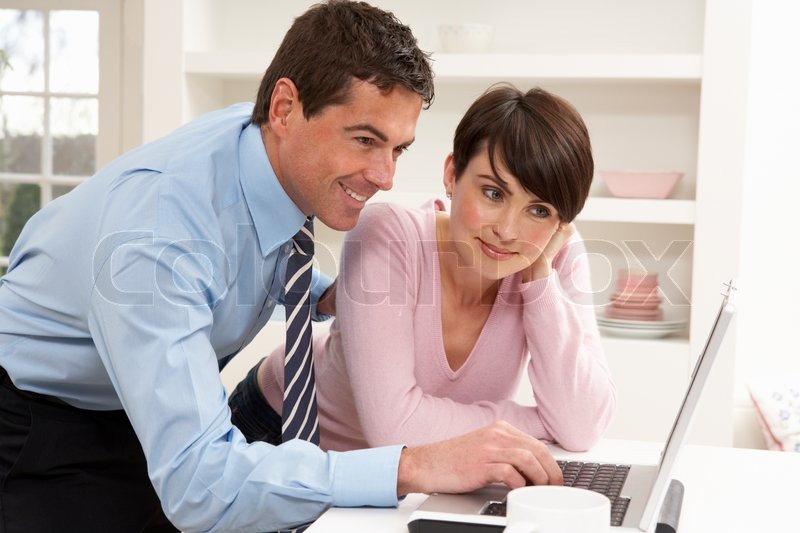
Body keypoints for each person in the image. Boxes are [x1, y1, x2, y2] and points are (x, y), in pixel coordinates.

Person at [0, 2, 563, 532]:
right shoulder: (157, 238)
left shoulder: (267, 150)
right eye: (365, 140)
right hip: (39, 427)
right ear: (286, 108)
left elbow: (238, 261)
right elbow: (199, 484)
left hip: (138, 411)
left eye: (397, 148)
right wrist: (410, 466)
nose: (384, 176)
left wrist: (328, 296)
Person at [249, 85, 617, 454]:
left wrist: (539, 283)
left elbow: (581, 429)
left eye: (539, 211)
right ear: (452, 174)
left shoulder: (555, 257)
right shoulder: (390, 235)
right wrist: (537, 423)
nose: (506, 230)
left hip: (417, 477)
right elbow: (394, 429)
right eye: (493, 193)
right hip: (279, 435)